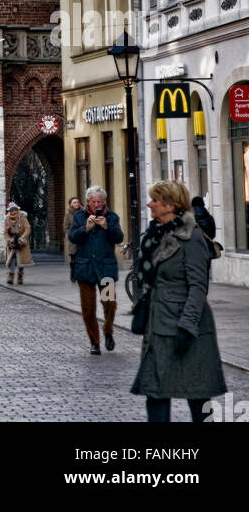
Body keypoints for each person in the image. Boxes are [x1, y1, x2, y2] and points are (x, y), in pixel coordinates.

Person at [131, 180, 226, 423]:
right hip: (158, 326)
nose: (150, 204)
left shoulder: (191, 237)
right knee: (155, 393)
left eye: (155, 200)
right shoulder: (154, 235)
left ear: (170, 204)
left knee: (197, 395)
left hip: (188, 328)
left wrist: (187, 325)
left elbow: (198, 286)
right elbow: (146, 280)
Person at [69, 185, 124, 354]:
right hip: (85, 269)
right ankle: (94, 341)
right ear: (88, 202)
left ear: (104, 202)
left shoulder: (112, 217)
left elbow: (119, 237)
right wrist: (85, 228)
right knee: (88, 308)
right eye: (94, 202)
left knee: (110, 303)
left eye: (100, 201)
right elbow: (72, 237)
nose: (97, 205)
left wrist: (107, 226)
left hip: (106, 269)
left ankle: (108, 331)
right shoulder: (79, 216)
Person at [4, 202, 32, 284]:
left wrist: (23, 238)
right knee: (12, 259)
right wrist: (8, 240)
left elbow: (28, 228)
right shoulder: (7, 219)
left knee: (21, 260)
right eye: (12, 210)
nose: (13, 211)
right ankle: (11, 275)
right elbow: (5, 232)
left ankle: (20, 276)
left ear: (17, 210)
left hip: (21, 241)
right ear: (9, 211)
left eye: (15, 210)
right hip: (12, 241)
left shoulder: (22, 218)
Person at [64, 196, 81, 283]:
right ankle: (73, 274)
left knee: (81, 259)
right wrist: (71, 234)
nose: (76, 204)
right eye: (74, 202)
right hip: (73, 240)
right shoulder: (68, 215)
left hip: (82, 239)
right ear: (71, 204)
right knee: (74, 260)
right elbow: (65, 228)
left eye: (77, 202)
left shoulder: (83, 213)